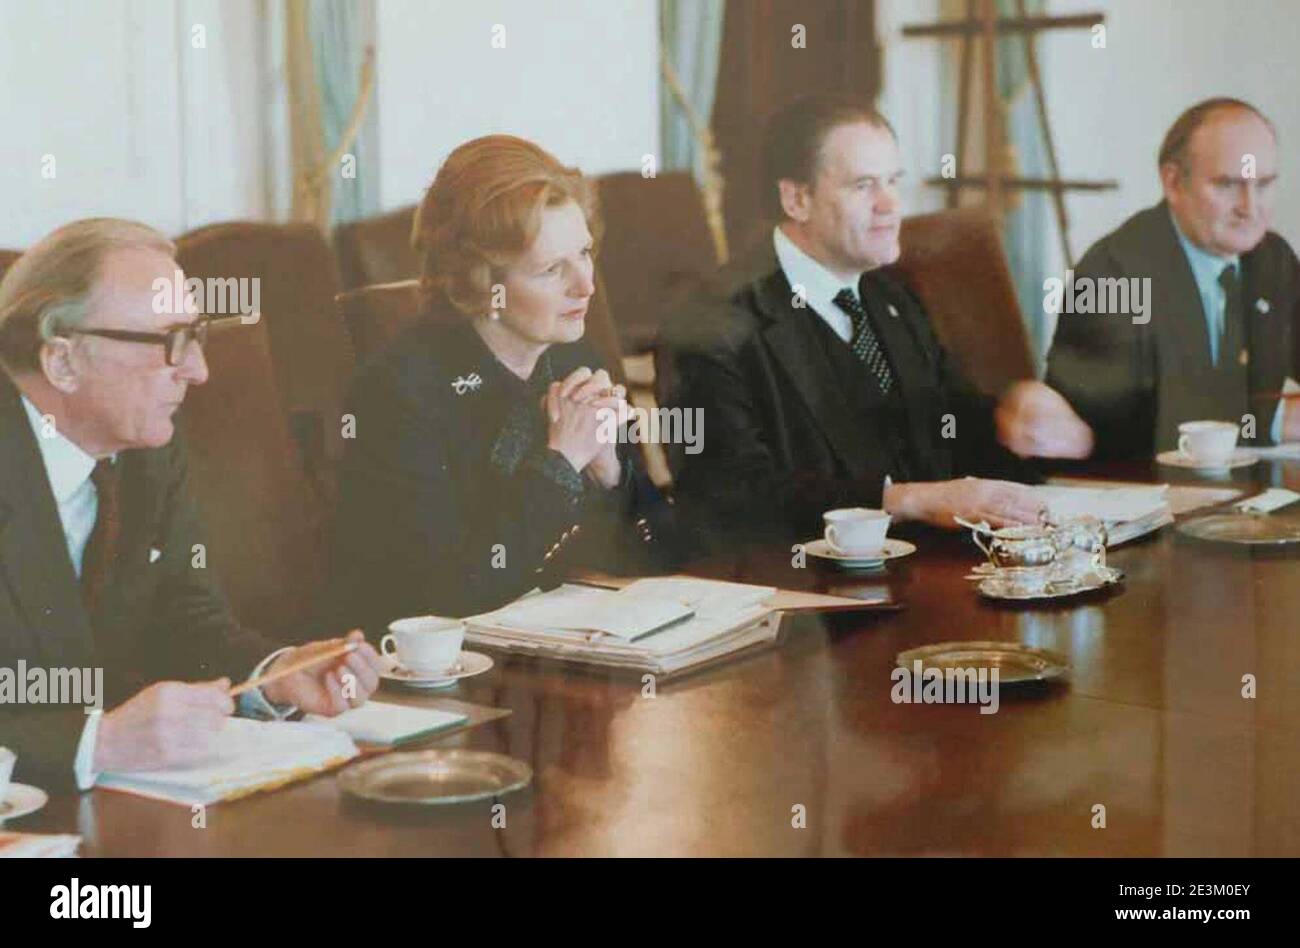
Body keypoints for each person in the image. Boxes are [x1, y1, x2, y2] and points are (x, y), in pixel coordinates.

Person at [0, 219, 385, 791]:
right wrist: (97, 743)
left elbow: (180, 616)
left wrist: (272, 676)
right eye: (169, 344)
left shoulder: (145, 449)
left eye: (197, 337)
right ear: (62, 362)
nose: (199, 372)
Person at [656, 94, 1042, 547]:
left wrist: (1017, 421)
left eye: (894, 181)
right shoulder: (706, 323)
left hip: (927, 573)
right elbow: (725, 496)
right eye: (863, 185)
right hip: (804, 593)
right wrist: (902, 500)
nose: (890, 205)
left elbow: (950, 427)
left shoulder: (890, 294)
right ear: (797, 198)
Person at [329, 135, 671, 631]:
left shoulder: (574, 354)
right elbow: (446, 593)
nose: (586, 285)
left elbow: (662, 556)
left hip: (577, 652)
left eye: (585, 253)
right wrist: (559, 463)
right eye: (553, 269)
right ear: (479, 282)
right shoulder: (397, 394)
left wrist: (611, 473)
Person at [999, 98, 1300, 460]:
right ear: (1173, 182)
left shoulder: (1271, 258)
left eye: (1264, 184)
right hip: (1128, 494)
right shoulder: (1112, 273)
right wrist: (1272, 419)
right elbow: (1132, 428)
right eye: (1226, 185)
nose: (1250, 208)